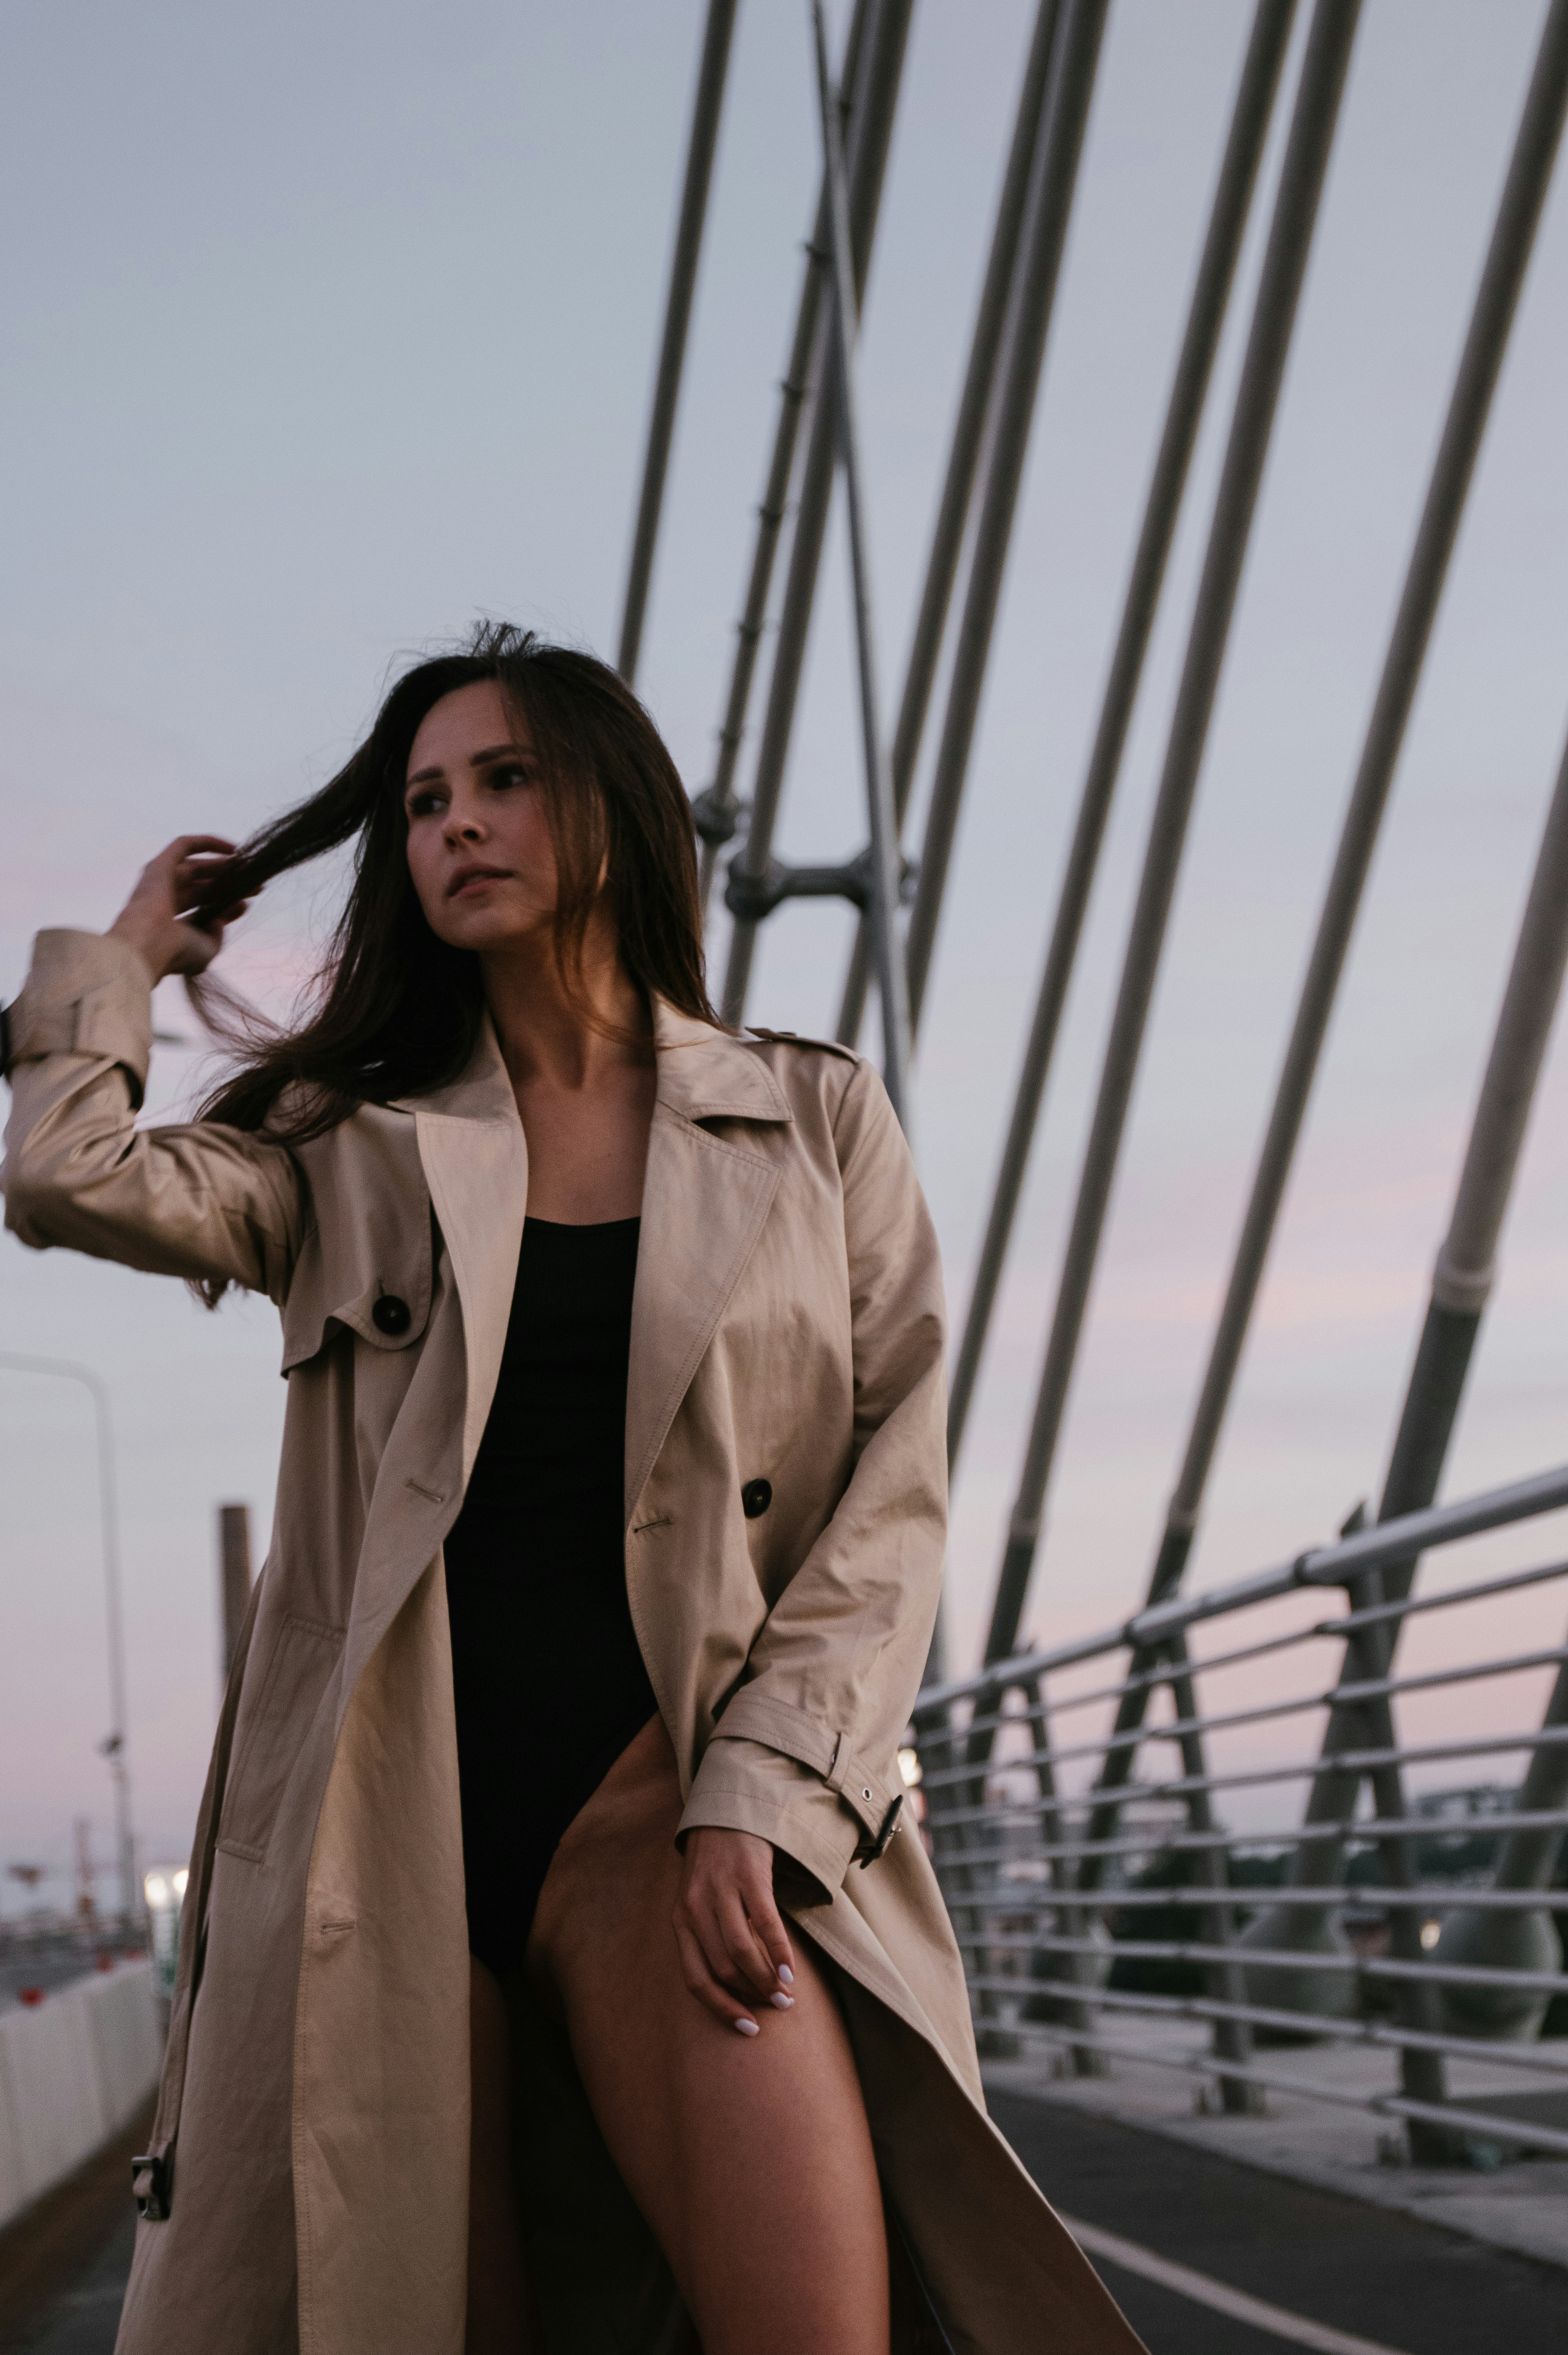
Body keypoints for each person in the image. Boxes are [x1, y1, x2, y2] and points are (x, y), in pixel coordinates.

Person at [2, 626, 1142, 2355]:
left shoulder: (813, 1122)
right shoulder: (342, 1141)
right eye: (426, 801)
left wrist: (759, 1794)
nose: (456, 826)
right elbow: (64, 1174)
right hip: (383, 1856)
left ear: (610, 804)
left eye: (505, 780)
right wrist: (123, 961)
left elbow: (889, 1506)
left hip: (657, 1816)